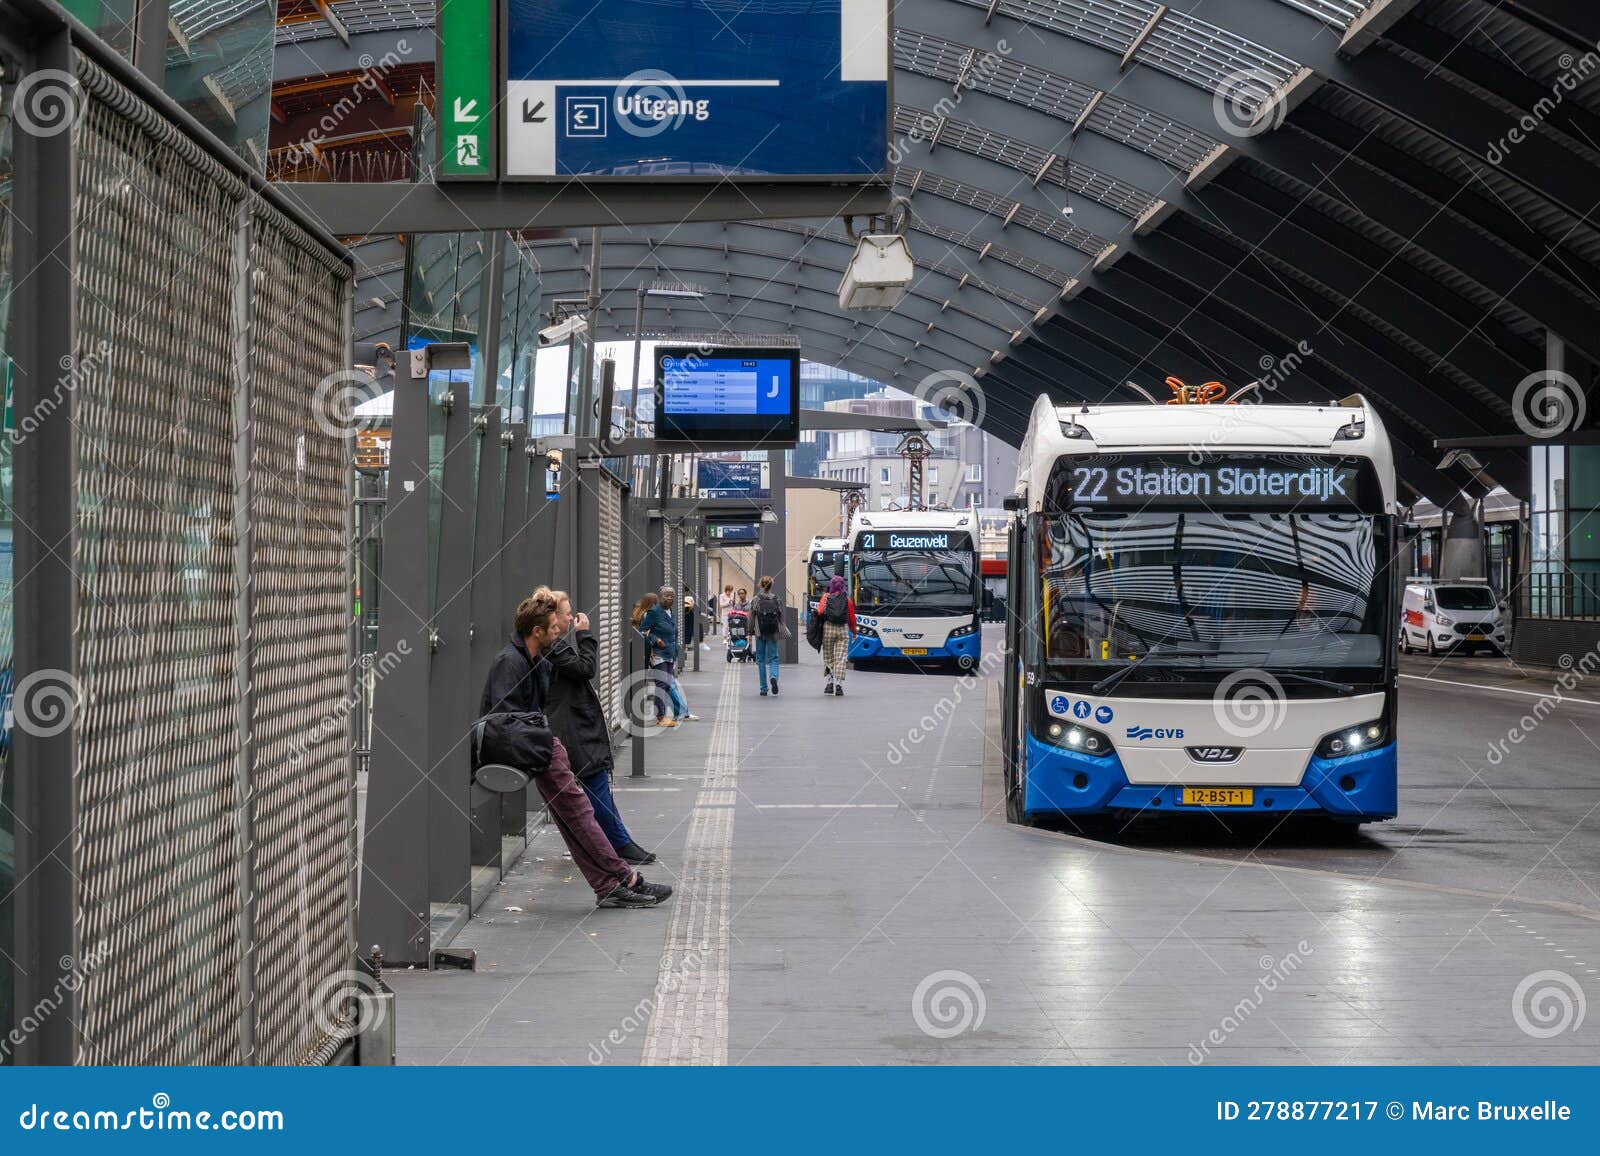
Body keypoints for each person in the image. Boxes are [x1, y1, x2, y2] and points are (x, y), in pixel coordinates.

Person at [480, 590, 671, 908]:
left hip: (539, 745)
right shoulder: (512, 661)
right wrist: (543, 738)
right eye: (554, 627)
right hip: (538, 747)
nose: (559, 631)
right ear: (538, 630)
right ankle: (626, 878)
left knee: (574, 821)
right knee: (581, 816)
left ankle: (608, 885)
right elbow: (504, 715)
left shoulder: (533, 658)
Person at [540, 591, 657, 865]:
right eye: (567, 613)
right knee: (595, 784)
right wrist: (585, 635)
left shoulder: (553, 647)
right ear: (554, 618)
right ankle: (619, 844)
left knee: (596, 786)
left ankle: (618, 842)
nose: (572, 617)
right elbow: (586, 667)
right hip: (573, 729)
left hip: (575, 725)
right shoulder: (554, 648)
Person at [816, 574, 857, 696]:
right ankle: (839, 685)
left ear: (831, 585)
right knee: (841, 657)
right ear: (842, 586)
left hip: (828, 628)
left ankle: (829, 683)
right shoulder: (847, 599)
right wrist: (854, 632)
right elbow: (851, 618)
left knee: (829, 656)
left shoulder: (826, 597)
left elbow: (820, 611)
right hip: (842, 630)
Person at [750, 575, 786, 697]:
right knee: (774, 658)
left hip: (760, 632)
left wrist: (749, 632)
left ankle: (763, 689)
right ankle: (773, 677)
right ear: (771, 585)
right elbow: (780, 617)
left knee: (760, 660)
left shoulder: (756, 599)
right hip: (773, 632)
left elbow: (751, 617)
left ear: (761, 585)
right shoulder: (777, 599)